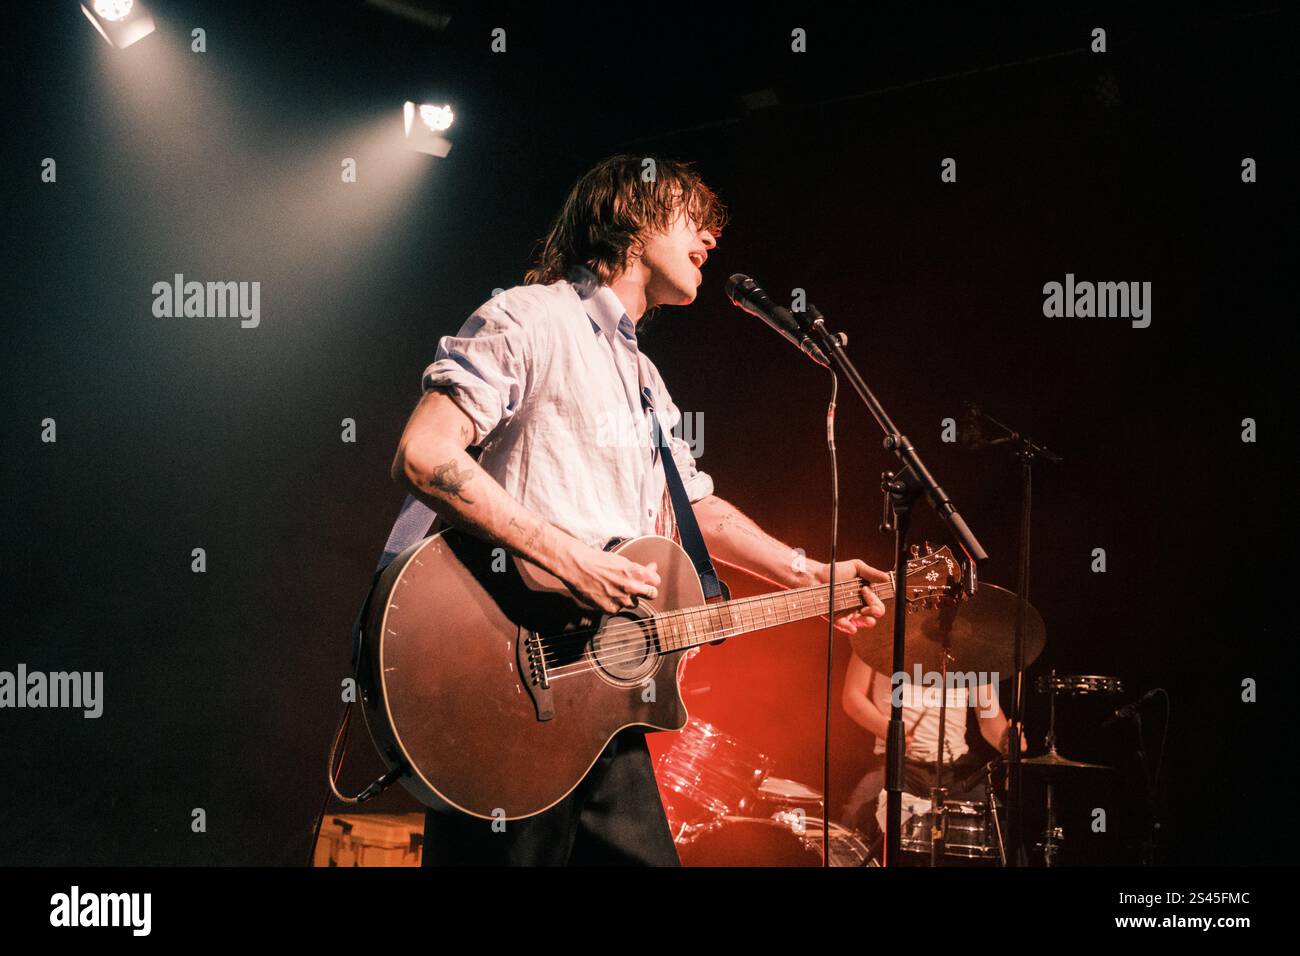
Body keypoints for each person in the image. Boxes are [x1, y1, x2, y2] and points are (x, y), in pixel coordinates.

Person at [390, 155, 891, 865]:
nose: (712, 239)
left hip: (602, 705)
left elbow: (696, 507)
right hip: (502, 687)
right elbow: (425, 454)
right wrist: (571, 559)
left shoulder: (645, 379)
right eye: (695, 218)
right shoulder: (529, 318)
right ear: (632, 216)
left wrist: (805, 571)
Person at [840, 654, 1023, 850]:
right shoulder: (879, 635)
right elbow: (852, 695)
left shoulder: (970, 649)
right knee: (855, 817)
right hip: (896, 763)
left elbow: (988, 717)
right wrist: (890, 732)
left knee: (1002, 829)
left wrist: (1006, 741)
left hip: (954, 771)